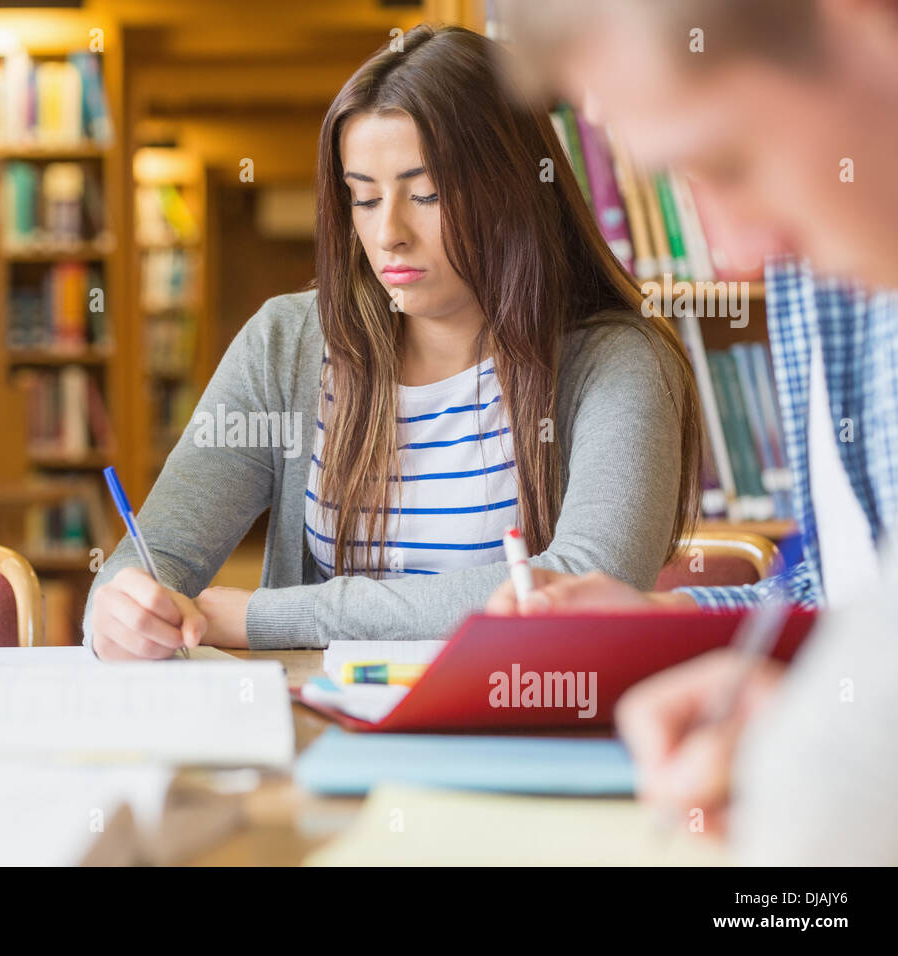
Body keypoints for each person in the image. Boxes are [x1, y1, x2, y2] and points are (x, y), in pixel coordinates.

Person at [83, 24, 703, 660]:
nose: (389, 234)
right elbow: (157, 557)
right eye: (364, 198)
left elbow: (588, 582)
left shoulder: (622, 362)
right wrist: (120, 609)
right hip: (324, 728)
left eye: (426, 193)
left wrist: (269, 616)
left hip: (526, 723)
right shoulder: (287, 342)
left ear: (515, 187)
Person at [501, 0, 898, 863]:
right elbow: (853, 585)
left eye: (725, 161)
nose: (733, 258)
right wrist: (674, 617)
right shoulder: (833, 243)